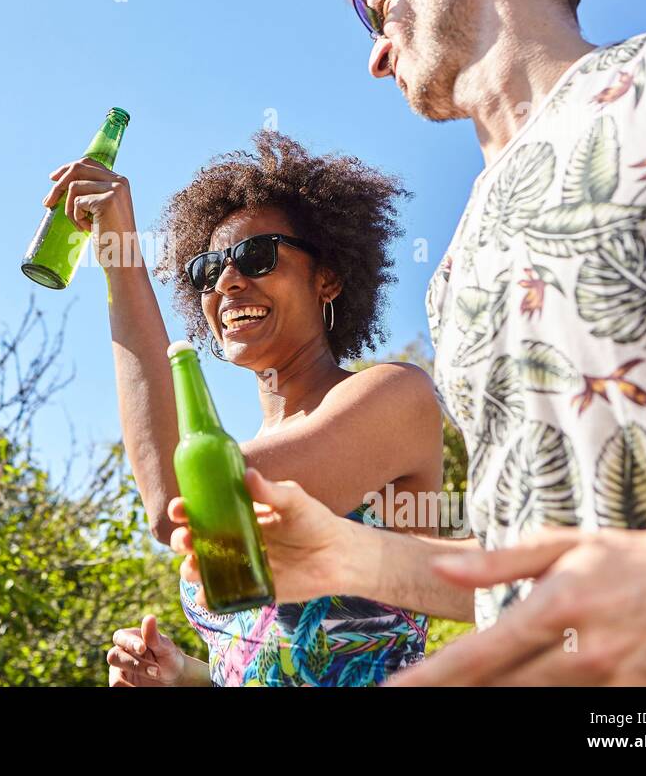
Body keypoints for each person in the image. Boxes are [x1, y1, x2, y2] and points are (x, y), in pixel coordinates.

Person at [177, 0, 646, 685]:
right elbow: (524, 571)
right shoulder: (454, 272)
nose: (378, 55)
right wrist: (348, 556)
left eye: (381, 7)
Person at [58, 132, 443, 686]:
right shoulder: (245, 451)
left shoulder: (394, 396)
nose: (229, 280)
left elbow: (174, 502)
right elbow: (276, 656)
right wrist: (186, 675)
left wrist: (121, 256)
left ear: (327, 278)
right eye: (208, 271)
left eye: (258, 256)